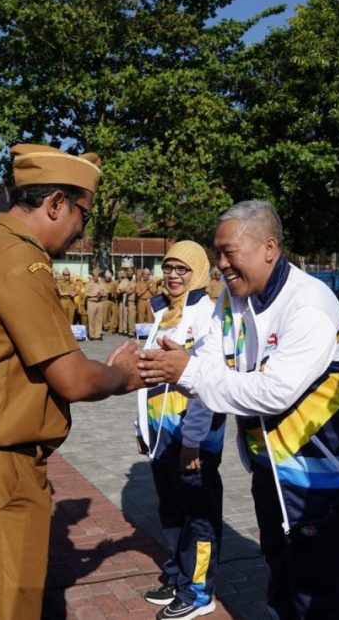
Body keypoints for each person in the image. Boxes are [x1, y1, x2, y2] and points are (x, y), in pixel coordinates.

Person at [0, 143, 143, 620]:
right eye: (81, 215)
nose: (80, 232)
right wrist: (123, 375)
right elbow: (71, 379)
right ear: (56, 203)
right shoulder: (20, 259)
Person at [139, 200, 339, 620]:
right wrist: (187, 371)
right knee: (280, 582)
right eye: (218, 252)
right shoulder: (233, 299)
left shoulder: (308, 304)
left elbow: (272, 392)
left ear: (269, 247)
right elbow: (211, 361)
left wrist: (189, 371)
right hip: (272, 470)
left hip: (326, 479)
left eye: (230, 251)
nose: (221, 264)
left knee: (318, 597)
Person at [136, 242, 223, 620]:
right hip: (161, 434)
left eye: (182, 269)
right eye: (168, 267)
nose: (172, 275)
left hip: (193, 436)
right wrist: (142, 427)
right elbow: (149, 374)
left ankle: (200, 593)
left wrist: (193, 442)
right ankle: (177, 577)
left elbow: (209, 380)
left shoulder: (209, 313)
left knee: (198, 516)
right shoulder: (161, 311)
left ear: (199, 272)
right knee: (171, 511)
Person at [84, 268, 106, 340]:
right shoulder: (88, 284)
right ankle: (91, 334)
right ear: (92, 276)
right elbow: (85, 293)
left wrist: (101, 293)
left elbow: (106, 292)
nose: (96, 277)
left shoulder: (101, 283)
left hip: (99, 302)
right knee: (91, 319)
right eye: (95, 276)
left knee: (99, 319)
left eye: (97, 276)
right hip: (91, 302)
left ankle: (98, 334)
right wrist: (94, 295)